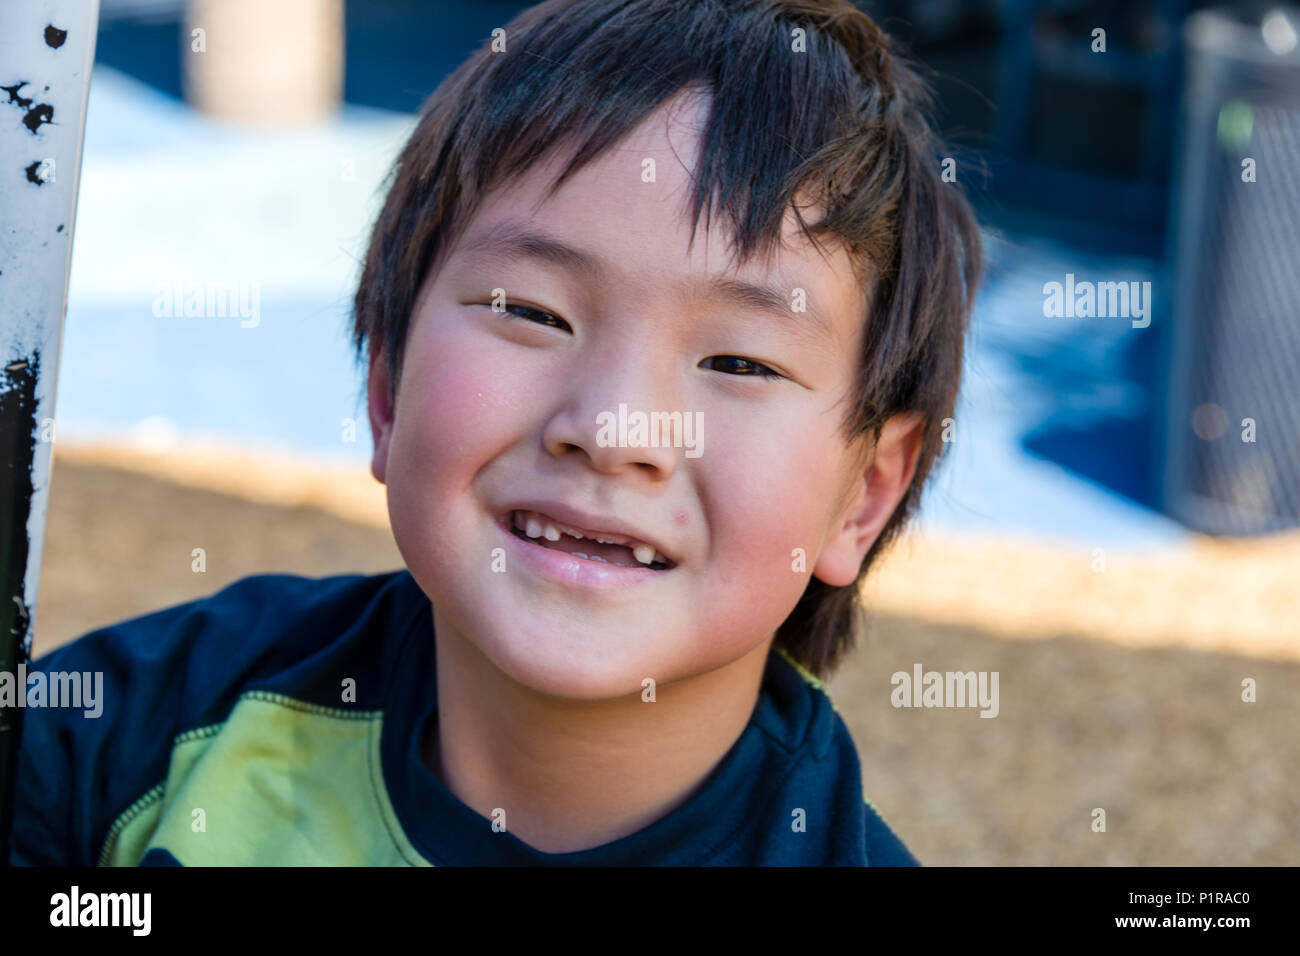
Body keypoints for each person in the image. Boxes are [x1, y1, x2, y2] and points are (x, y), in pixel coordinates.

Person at [9, 0, 981, 866]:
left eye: (739, 363)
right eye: (532, 312)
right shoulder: (145, 729)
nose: (609, 429)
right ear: (385, 390)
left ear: (866, 493)